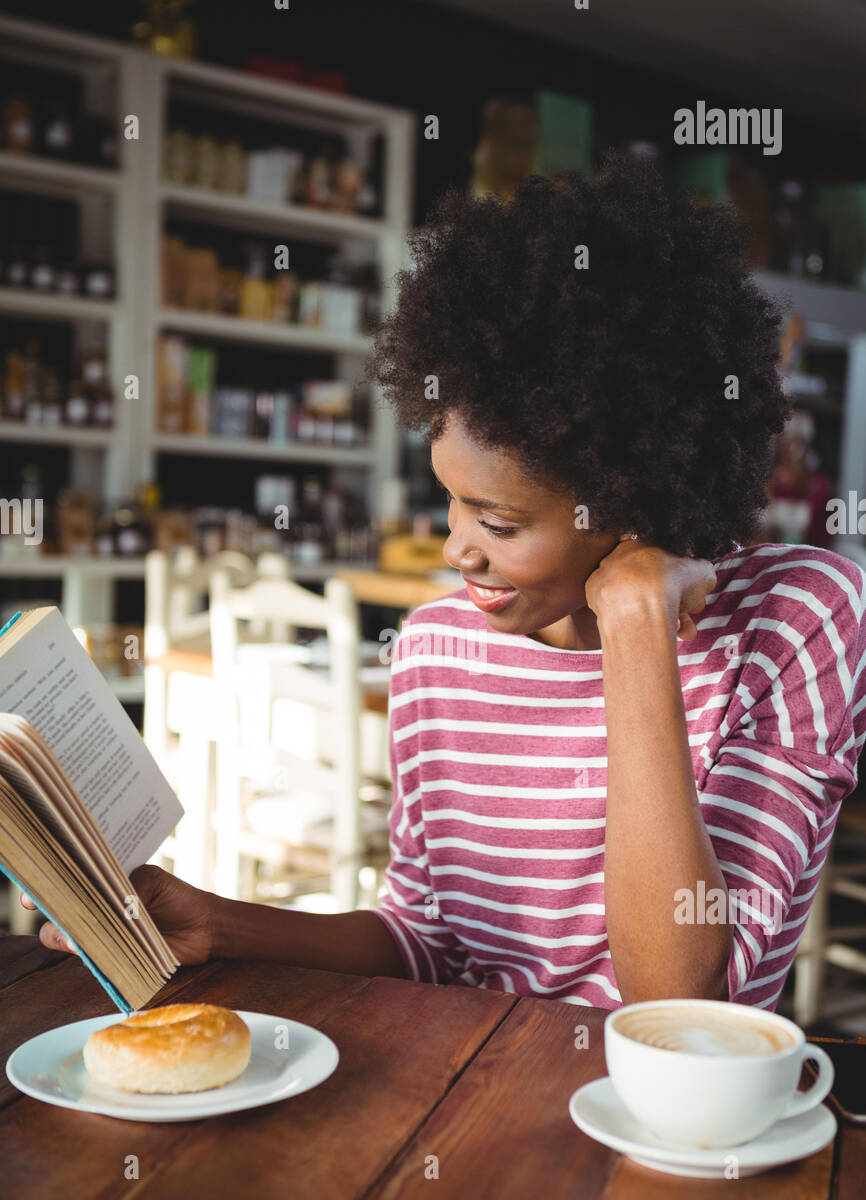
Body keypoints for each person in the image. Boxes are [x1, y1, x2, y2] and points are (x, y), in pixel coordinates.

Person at [25, 152, 866, 1010]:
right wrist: (220, 923)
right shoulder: (437, 646)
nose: (459, 550)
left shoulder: (799, 619)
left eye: (498, 524)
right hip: (461, 1098)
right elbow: (425, 942)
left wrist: (636, 624)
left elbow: (679, 1006)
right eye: (451, 505)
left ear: (635, 502)